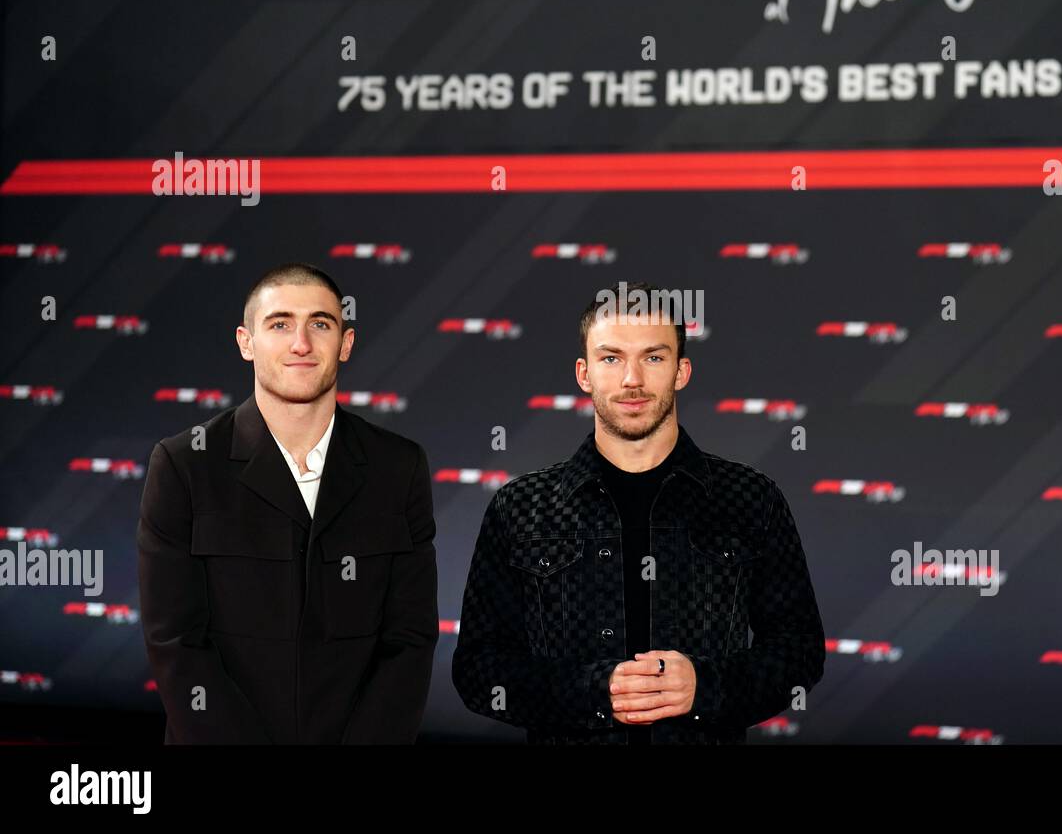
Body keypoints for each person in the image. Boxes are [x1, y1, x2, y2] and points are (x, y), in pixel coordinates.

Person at [452, 281, 825, 743]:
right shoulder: (521, 506)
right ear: (584, 374)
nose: (632, 379)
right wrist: (593, 691)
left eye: (653, 357)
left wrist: (706, 687)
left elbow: (800, 650)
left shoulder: (751, 498)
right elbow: (477, 669)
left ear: (681, 371)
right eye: (611, 358)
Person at [137, 263, 438, 743]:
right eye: (279, 324)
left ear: (346, 343)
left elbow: (410, 640)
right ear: (246, 341)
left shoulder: (398, 467)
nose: (301, 343)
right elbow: (176, 644)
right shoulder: (183, 465)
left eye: (320, 324)